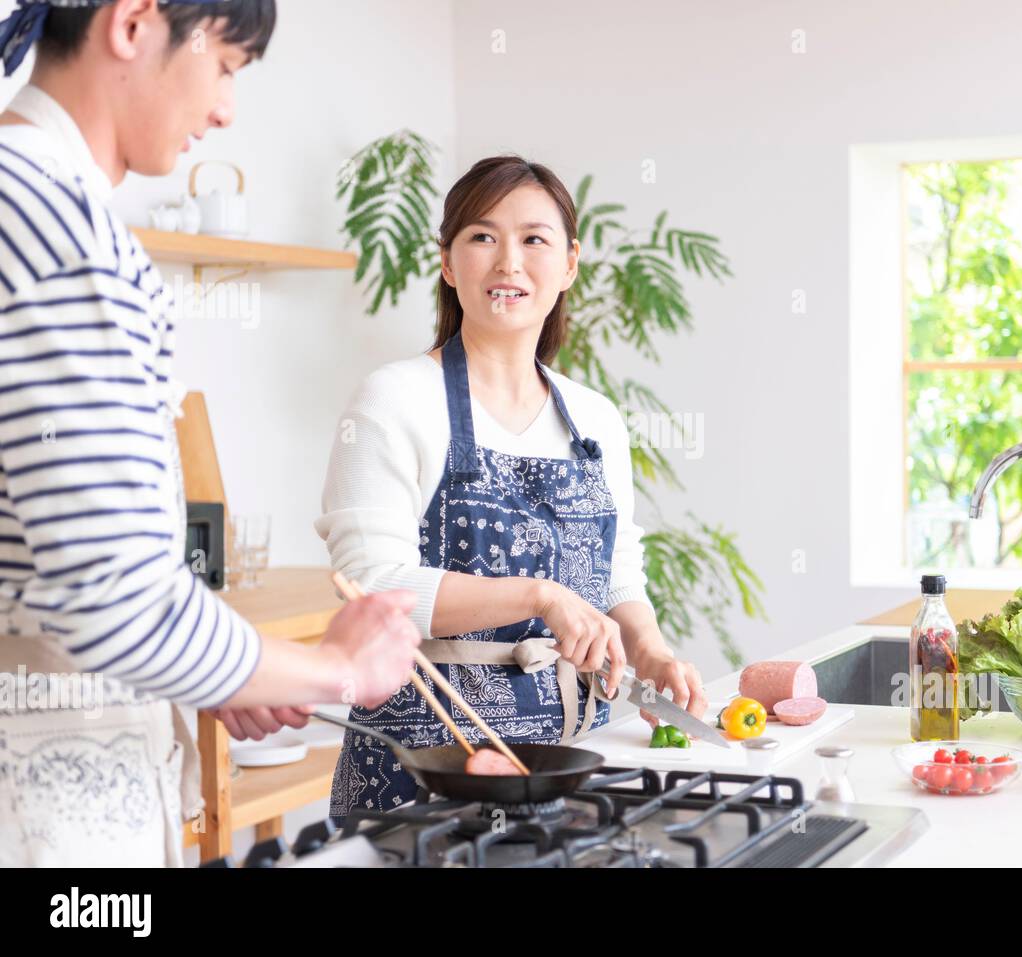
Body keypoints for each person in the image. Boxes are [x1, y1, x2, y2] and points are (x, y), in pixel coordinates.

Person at [0, 0, 421, 866]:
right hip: (46, 803)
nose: (226, 109)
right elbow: (116, 601)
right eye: (226, 65)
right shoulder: (64, 230)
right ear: (134, 22)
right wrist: (336, 671)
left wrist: (227, 667)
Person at [314, 155, 709, 818]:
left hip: (582, 754)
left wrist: (651, 648)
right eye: (481, 237)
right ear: (447, 262)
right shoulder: (394, 399)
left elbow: (615, 576)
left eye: (533, 238)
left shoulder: (596, 418)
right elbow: (374, 589)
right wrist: (538, 595)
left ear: (570, 262)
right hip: (428, 767)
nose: (509, 262)